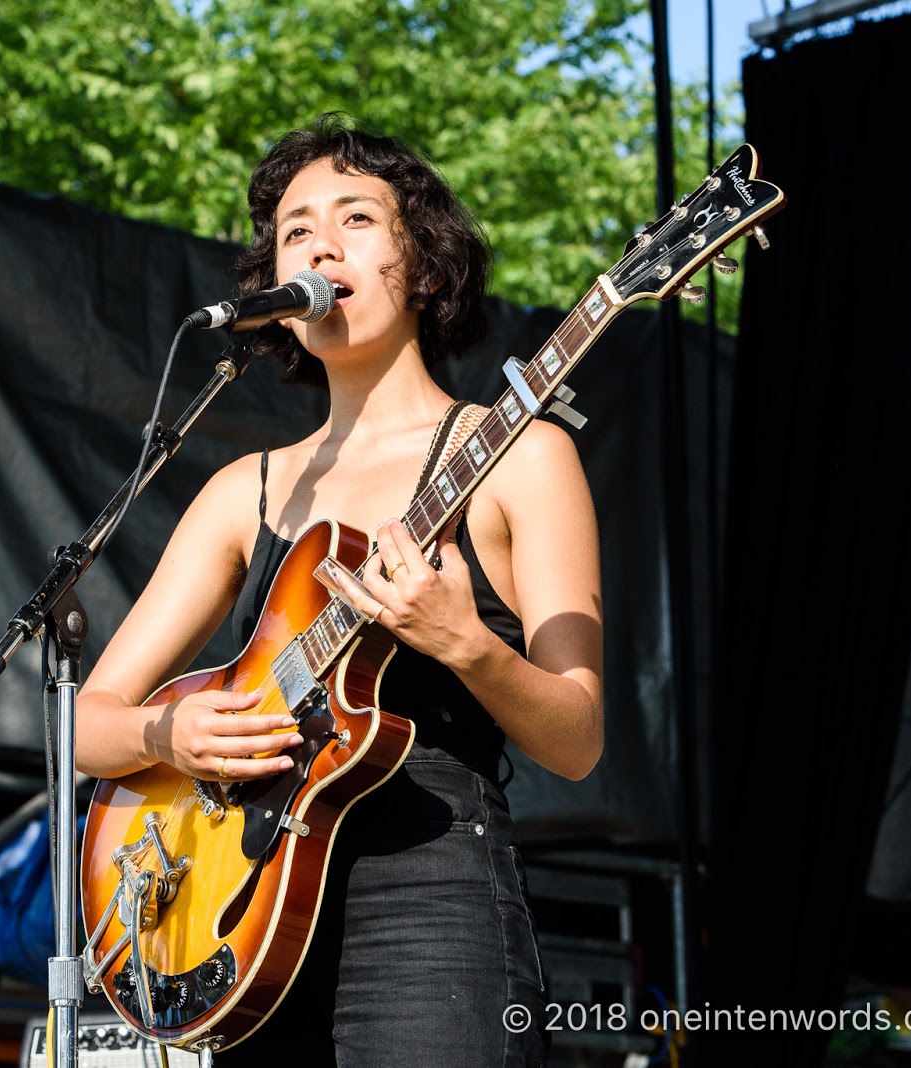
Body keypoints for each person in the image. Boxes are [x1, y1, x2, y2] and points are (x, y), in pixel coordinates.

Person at [74, 114, 604, 1067]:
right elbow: (85, 724)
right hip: (246, 923)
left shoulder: (521, 456)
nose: (320, 243)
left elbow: (577, 738)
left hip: (432, 906)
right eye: (296, 230)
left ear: (428, 267)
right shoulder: (249, 489)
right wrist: (171, 734)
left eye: (357, 218)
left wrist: (466, 644)